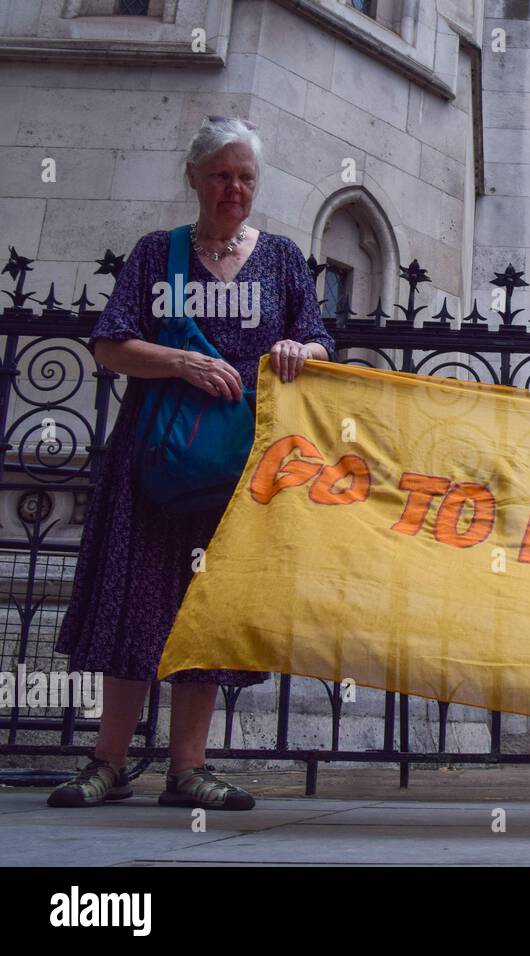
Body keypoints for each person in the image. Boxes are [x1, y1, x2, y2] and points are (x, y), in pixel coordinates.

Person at [48, 116, 337, 811]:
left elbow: (322, 342)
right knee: (133, 601)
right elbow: (110, 345)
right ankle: (107, 763)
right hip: (153, 455)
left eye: (245, 176)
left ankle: (188, 770)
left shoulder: (283, 261)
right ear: (194, 179)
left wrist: (301, 350)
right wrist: (184, 361)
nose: (234, 188)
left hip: (238, 465)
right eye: (221, 175)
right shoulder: (157, 254)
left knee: (205, 610)